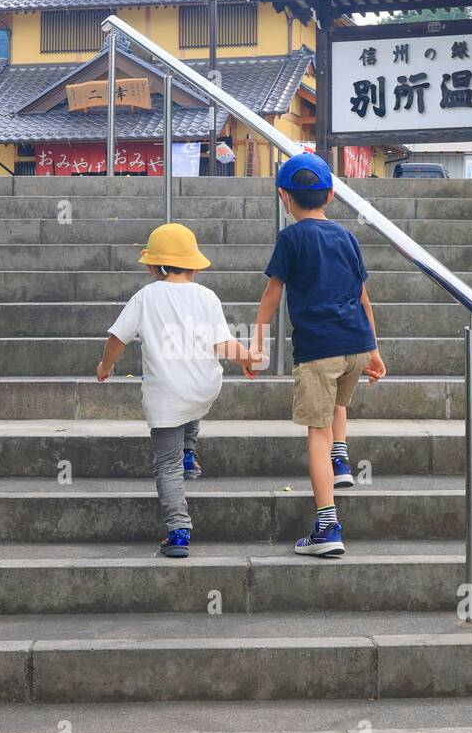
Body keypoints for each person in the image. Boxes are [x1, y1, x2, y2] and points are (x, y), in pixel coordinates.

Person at [97, 223, 262, 558]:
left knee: (167, 465)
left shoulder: (145, 297)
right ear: (193, 266)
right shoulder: (207, 296)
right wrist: (246, 357)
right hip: (204, 387)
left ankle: (178, 531)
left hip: (166, 397)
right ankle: (190, 451)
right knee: (191, 399)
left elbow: (117, 338)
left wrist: (105, 366)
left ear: (154, 266)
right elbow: (223, 343)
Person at [249, 153, 385, 557]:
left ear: (283, 197)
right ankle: (341, 461)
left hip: (319, 351)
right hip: (356, 346)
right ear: (329, 194)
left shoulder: (291, 238)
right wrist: (374, 350)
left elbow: (273, 294)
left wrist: (257, 340)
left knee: (317, 431)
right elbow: (364, 298)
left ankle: (327, 526)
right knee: (337, 406)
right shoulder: (347, 237)